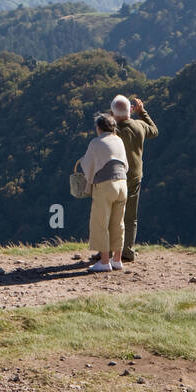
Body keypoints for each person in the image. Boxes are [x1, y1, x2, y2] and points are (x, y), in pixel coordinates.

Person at [79, 113, 129, 273]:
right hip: (123, 183)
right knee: (118, 223)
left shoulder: (96, 142)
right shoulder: (119, 141)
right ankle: (117, 260)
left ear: (99, 127)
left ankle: (104, 261)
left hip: (106, 185)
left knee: (101, 222)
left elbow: (87, 165)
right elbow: (126, 165)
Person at [111, 95, 158, 263]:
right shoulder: (139, 126)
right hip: (134, 176)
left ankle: (108, 250)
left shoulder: (112, 129)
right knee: (130, 216)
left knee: (111, 213)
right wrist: (141, 111)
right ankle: (127, 250)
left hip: (115, 176)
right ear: (129, 110)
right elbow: (154, 130)